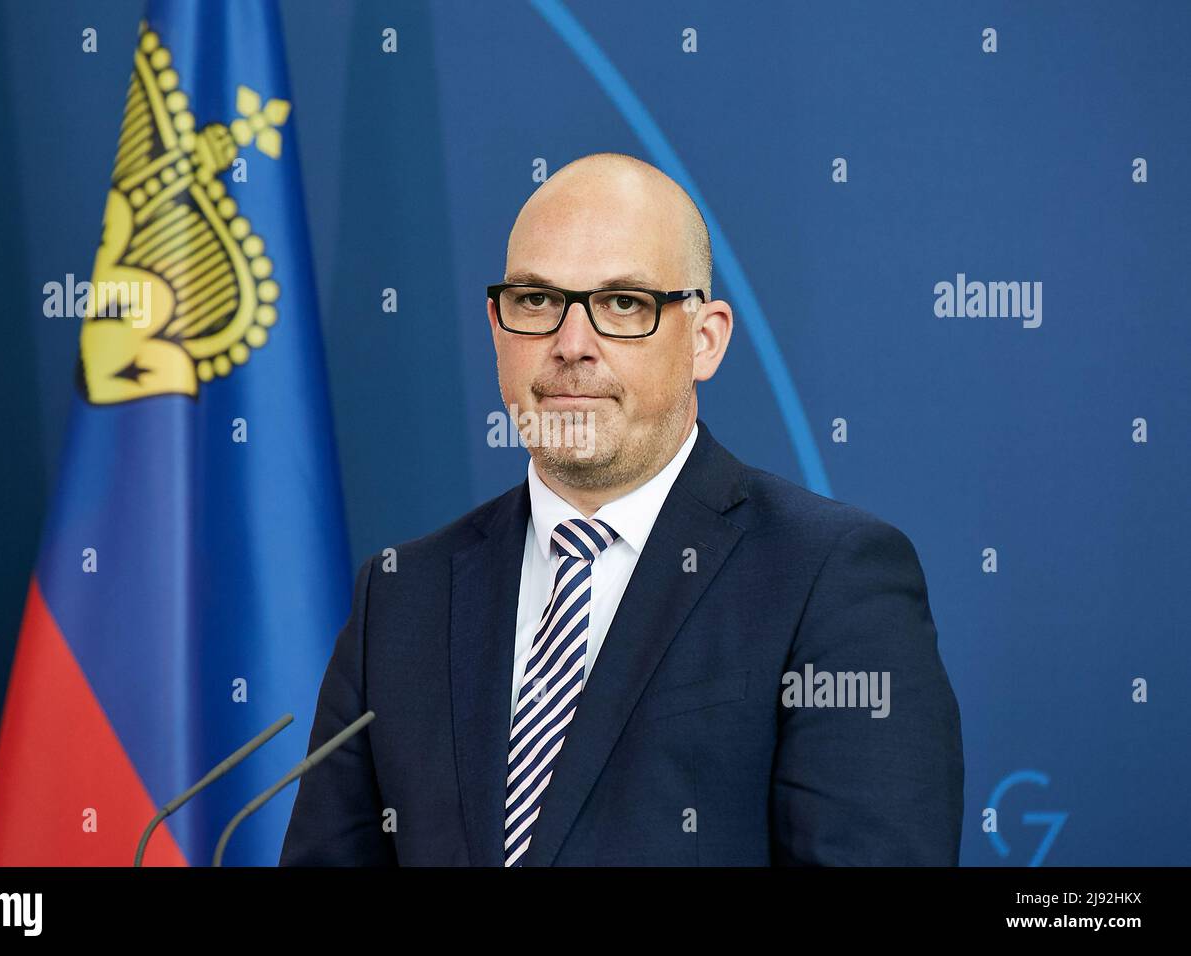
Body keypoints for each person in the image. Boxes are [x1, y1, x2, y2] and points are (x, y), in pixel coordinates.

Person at [280, 152, 963, 866]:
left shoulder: (830, 578)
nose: (571, 346)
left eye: (623, 305)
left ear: (705, 339)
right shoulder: (401, 596)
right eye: (537, 302)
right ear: (496, 326)